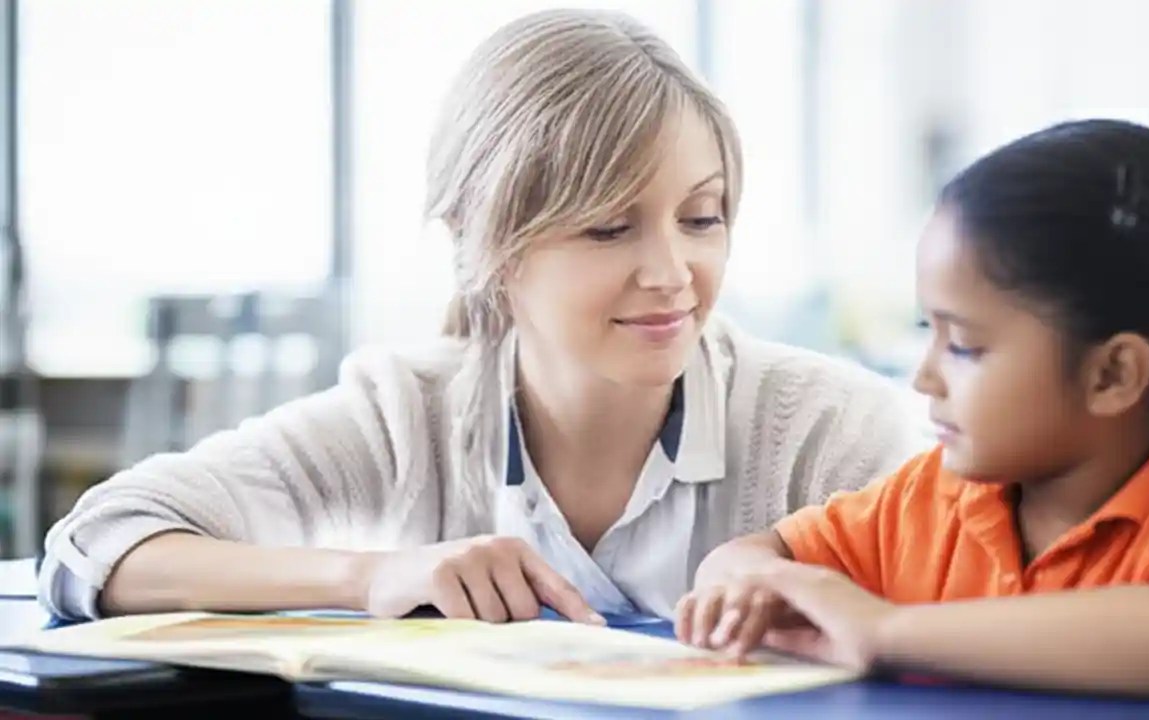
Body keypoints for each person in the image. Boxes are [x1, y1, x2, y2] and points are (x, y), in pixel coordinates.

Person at [36, 8, 926, 624]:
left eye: (702, 218)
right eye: (609, 226)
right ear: (485, 242)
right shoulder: (405, 413)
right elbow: (95, 546)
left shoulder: (826, 431)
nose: (672, 273)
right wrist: (374, 576)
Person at [675, 118, 1149, 696]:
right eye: (926, 331)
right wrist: (750, 586)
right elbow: (744, 559)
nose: (925, 376)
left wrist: (886, 632)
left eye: (963, 345)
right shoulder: (922, 501)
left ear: (1112, 374)